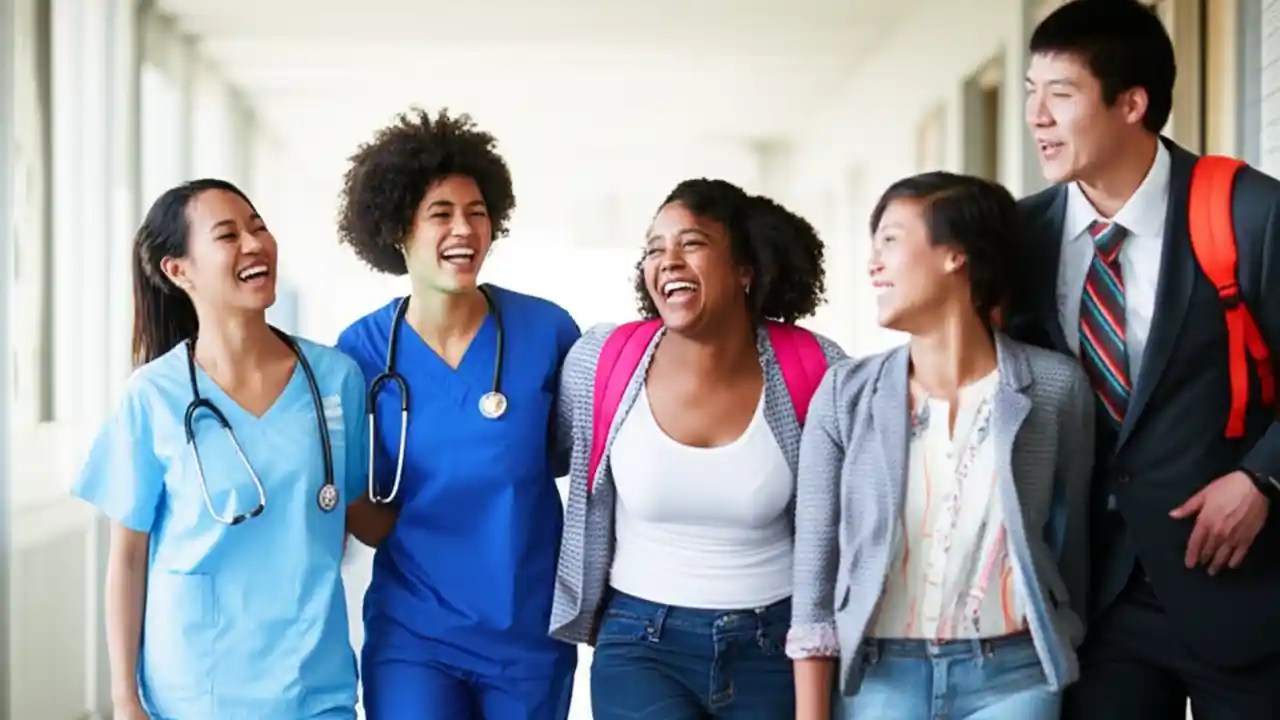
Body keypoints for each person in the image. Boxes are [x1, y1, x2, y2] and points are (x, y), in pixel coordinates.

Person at [1009, 1, 1280, 717]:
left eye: (1059, 95)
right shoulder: (1020, 236)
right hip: (1093, 599)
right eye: (1030, 93)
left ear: (1132, 103)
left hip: (1243, 586)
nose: (1036, 116)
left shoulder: (1251, 213)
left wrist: (1263, 478)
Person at [788, 172, 1095, 720]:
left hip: (1014, 676)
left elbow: (1069, 539)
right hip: (881, 679)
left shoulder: (1053, 389)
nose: (873, 263)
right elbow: (815, 573)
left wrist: (1062, 629)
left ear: (956, 255)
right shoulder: (845, 395)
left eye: (891, 239)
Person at [549, 177, 845, 719]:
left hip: (773, 646)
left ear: (744, 270)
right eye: (654, 249)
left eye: (691, 243)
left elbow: (846, 526)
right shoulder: (601, 361)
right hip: (641, 643)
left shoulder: (817, 369)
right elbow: (544, 457)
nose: (668, 260)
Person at [71, 179, 367, 719]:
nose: (255, 244)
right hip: (194, 688)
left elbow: (356, 513)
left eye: (258, 227)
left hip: (313, 683)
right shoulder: (155, 395)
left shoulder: (335, 378)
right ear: (179, 270)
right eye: (228, 234)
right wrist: (123, 697)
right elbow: (128, 558)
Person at [334, 107, 581, 720]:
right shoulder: (361, 353)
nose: (464, 230)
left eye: (477, 213)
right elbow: (365, 514)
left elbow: (577, 460)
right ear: (397, 229)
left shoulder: (546, 331)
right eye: (440, 214)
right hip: (413, 632)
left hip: (526, 633)